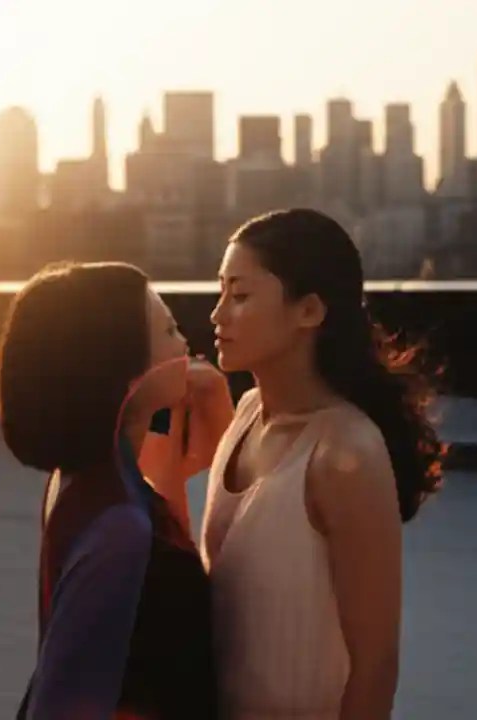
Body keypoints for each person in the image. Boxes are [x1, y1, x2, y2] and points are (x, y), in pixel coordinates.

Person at [188, 208, 443, 719]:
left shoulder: (345, 452)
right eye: (220, 292)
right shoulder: (245, 416)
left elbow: (376, 667)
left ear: (308, 311)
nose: (217, 315)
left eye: (239, 296)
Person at [0, 261, 230, 719]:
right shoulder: (119, 526)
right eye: (169, 330)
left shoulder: (81, 480)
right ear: (124, 367)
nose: (186, 343)